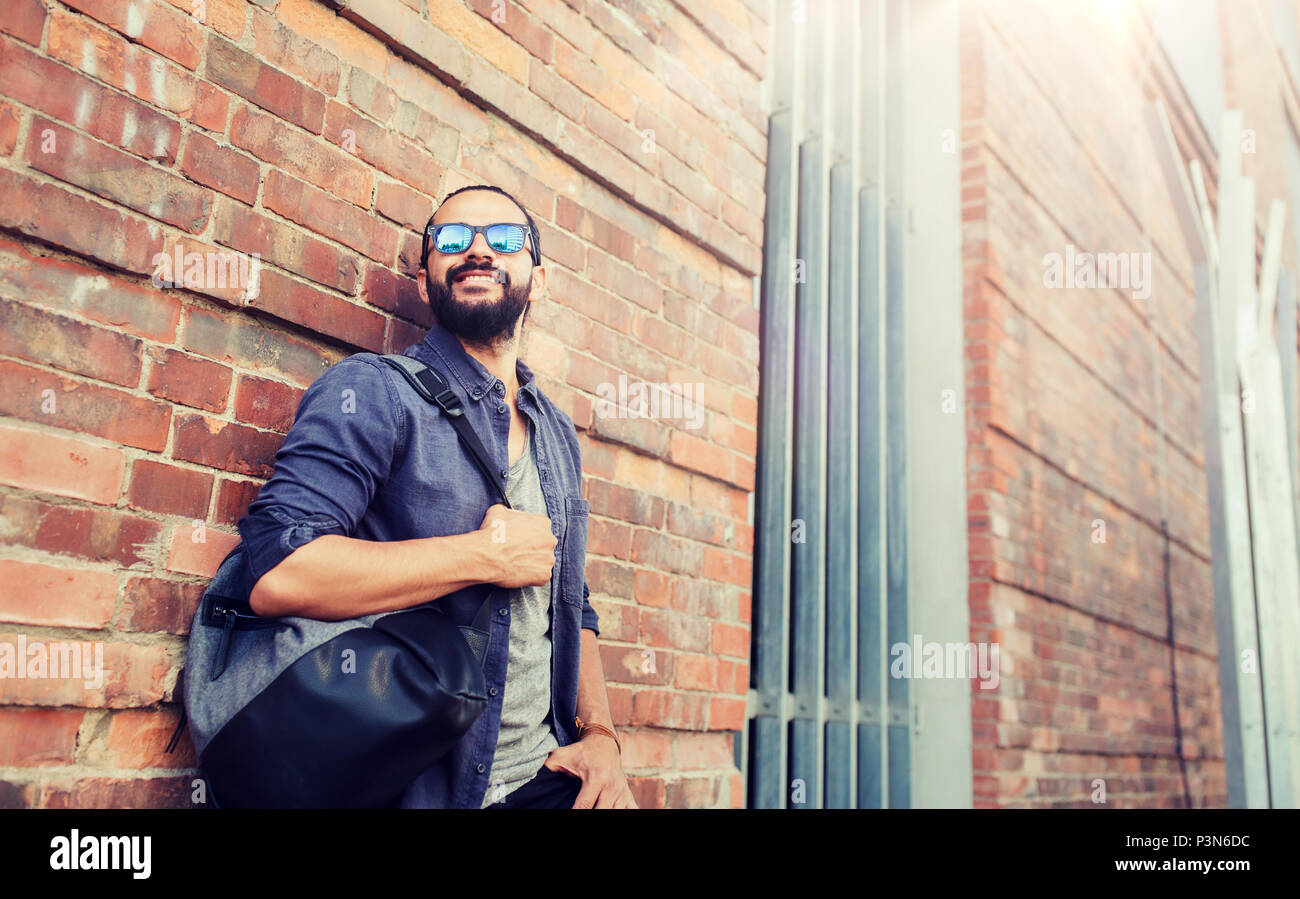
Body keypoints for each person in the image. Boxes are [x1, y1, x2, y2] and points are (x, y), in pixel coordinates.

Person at [236, 184, 637, 809]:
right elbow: (282, 575)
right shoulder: (374, 393)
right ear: (425, 282)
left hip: (548, 777)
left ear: (539, 278)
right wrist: (483, 558)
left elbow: (572, 601)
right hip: (420, 788)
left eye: (504, 239)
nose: (478, 251)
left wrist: (604, 739)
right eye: (453, 240)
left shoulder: (557, 431)